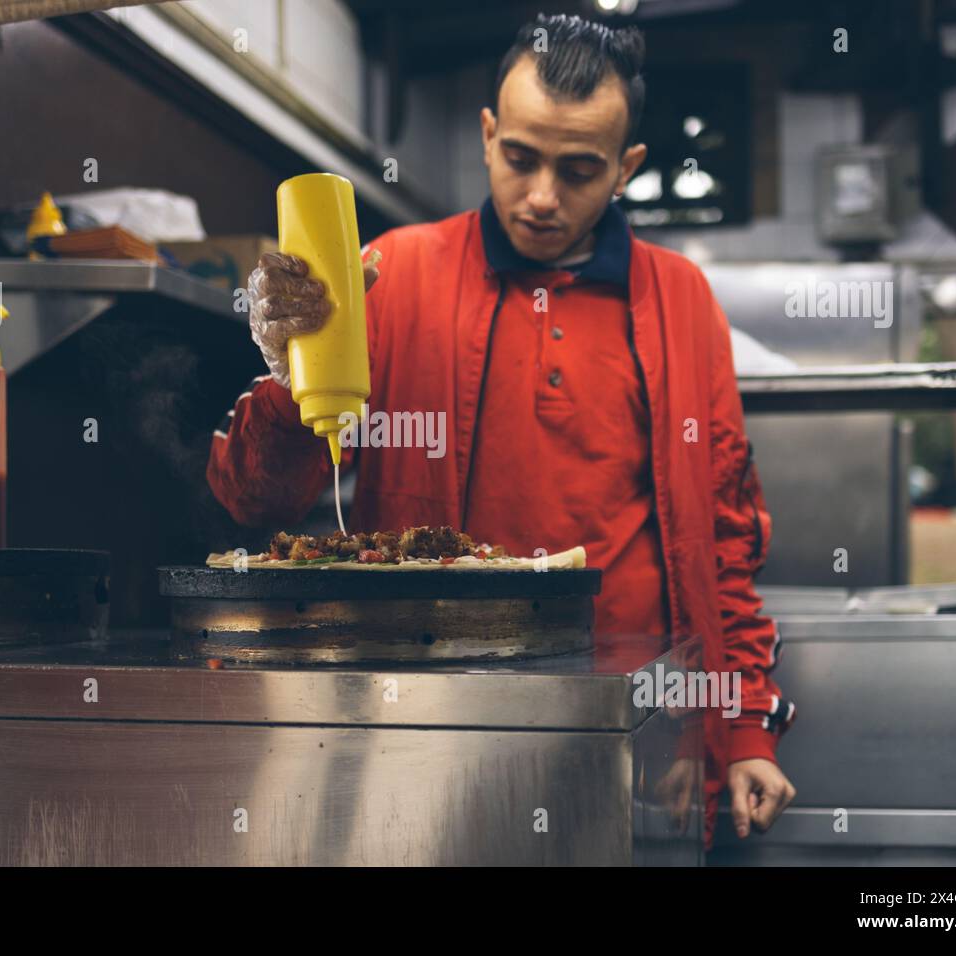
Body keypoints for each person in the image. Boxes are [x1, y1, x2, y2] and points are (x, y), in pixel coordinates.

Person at [208, 13, 795, 850]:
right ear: (488, 137)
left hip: (640, 740)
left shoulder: (683, 300)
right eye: (521, 158)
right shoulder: (396, 274)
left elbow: (728, 545)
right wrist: (284, 374)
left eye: (581, 169)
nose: (544, 196)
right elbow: (250, 502)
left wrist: (741, 734)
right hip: (425, 734)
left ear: (627, 168)